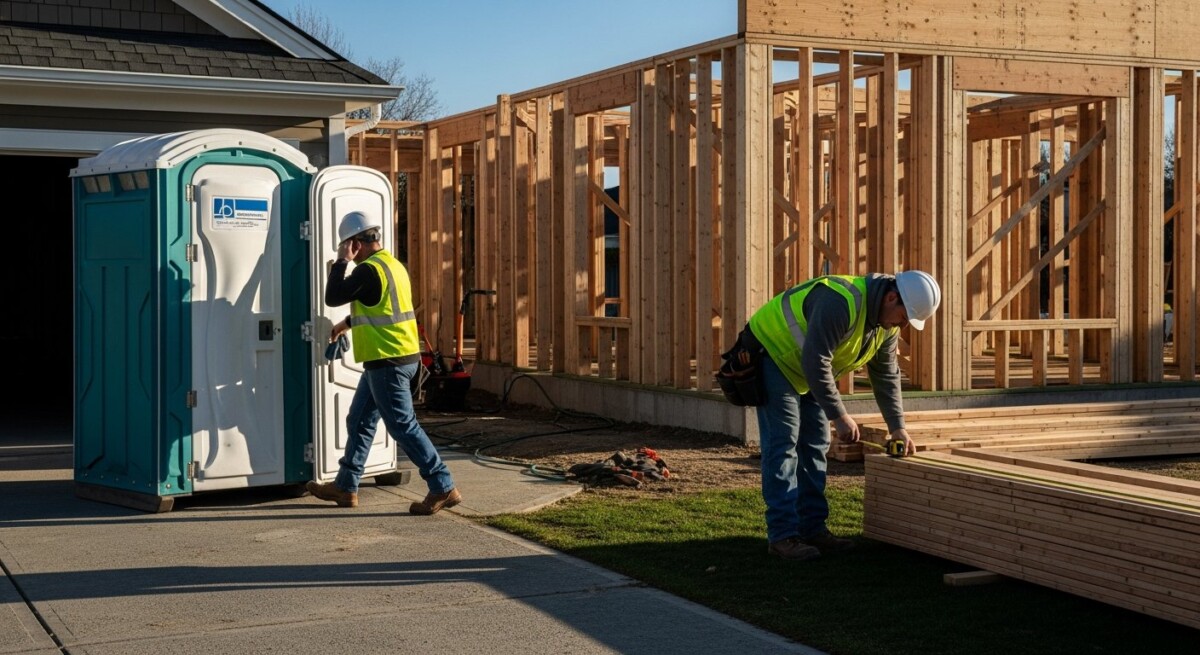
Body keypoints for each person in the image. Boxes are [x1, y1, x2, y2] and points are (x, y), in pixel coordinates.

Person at [747, 271, 941, 560]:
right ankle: (783, 536)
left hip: (808, 367)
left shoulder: (886, 325)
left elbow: (886, 375)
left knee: (815, 445)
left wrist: (897, 427)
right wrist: (839, 414)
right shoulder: (841, 301)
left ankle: (813, 529)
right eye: (904, 316)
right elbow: (815, 360)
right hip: (774, 355)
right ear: (891, 297)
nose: (903, 324)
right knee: (783, 444)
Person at [306, 211, 462, 515]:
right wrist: (348, 323)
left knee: (402, 426)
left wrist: (341, 261)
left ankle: (442, 484)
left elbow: (333, 294)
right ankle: (345, 486)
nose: (347, 252)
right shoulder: (392, 265)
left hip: (388, 360)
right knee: (360, 420)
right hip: (395, 357)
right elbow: (381, 305)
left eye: (347, 246)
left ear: (354, 244)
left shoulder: (366, 270)